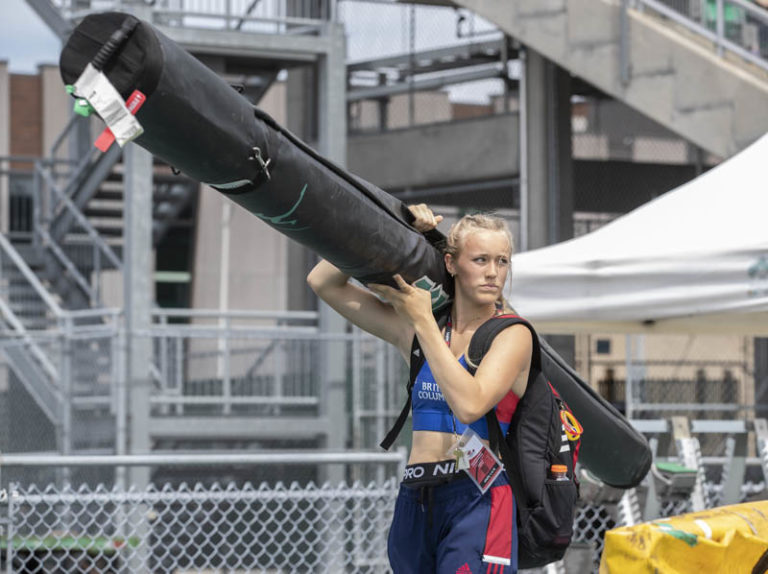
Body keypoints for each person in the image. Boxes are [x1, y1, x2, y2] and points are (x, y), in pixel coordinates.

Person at [307, 204, 532, 574]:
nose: (493, 272)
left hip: (478, 496)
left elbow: (470, 404)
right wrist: (392, 227)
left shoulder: (512, 334)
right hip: (416, 494)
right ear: (450, 263)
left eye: (502, 261)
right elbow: (322, 282)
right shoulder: (417, 330)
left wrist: (423, 319)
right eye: (480, 260)